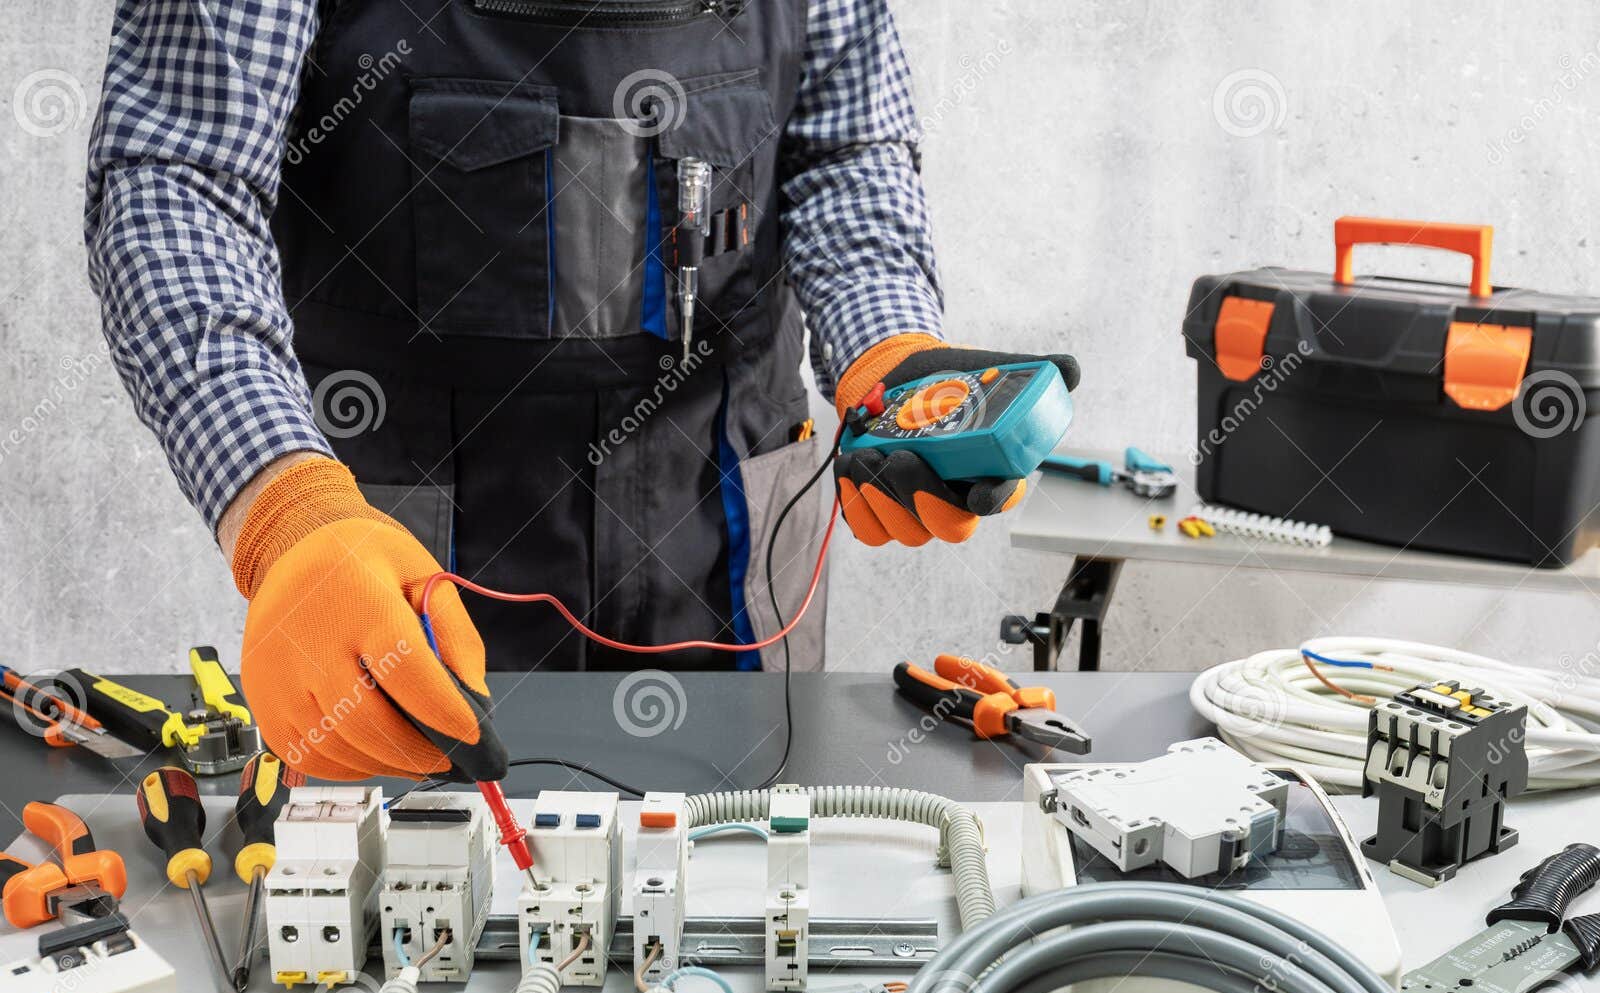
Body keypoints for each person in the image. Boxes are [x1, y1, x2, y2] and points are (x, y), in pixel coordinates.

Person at [84, 0, 1077, 783]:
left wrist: (886, 353)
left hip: (731, 559)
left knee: (735, 946)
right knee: (414, 964)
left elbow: (843, 152)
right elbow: (177, 178)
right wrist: (283, 513)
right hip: (409, 584)